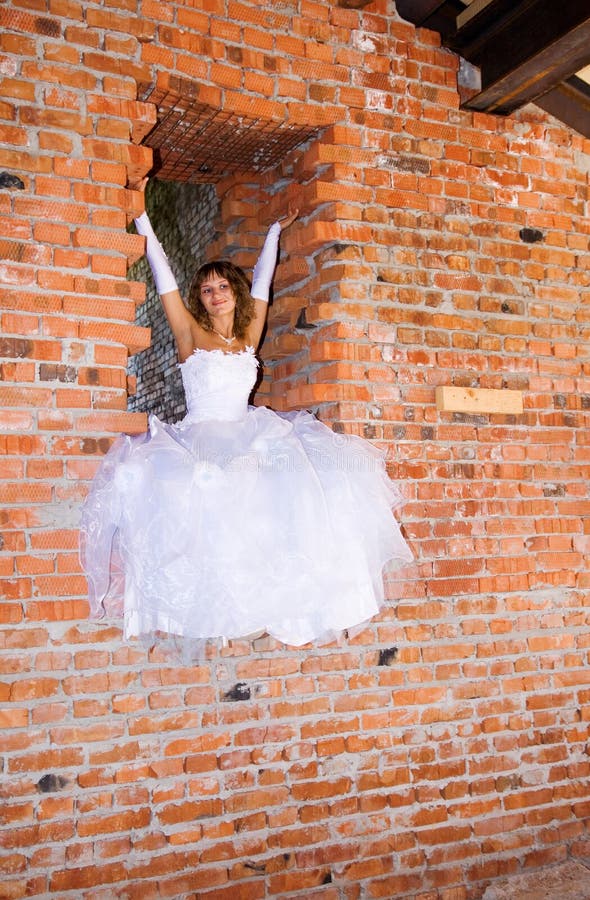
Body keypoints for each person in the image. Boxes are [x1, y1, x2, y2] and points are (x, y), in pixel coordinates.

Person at [79, 178, 413, 657]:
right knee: (203, 507)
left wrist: (275, 231)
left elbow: (263, 282)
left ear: (233, 293)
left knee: (302, 494)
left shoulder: (248, 336)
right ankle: (215, 613)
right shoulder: (189, 333)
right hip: (202, 435)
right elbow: (164, 278)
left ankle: (278, 607)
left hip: (250, 432)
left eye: (222, 286)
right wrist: (142, 219)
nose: (215, 294)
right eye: (207, 288)